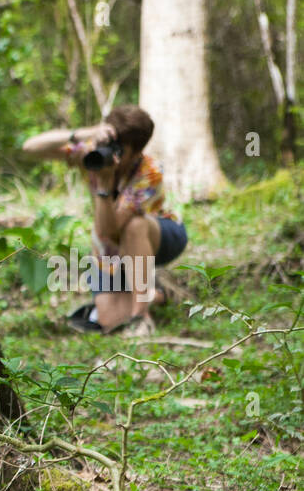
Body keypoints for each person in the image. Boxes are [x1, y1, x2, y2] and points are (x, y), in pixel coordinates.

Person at [22, 105, 188, 336]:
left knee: (134, 225)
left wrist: (103, 185)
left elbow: (110, 229)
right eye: (109, 143)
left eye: (119, 148)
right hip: (111, 246)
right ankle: (156, 294)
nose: (110, 152)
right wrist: (82, 135)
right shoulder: (91, 152)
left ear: (137, 151)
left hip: (160, 235)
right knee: (108, 321)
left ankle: (141, 317)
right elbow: (30, 148)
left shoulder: (149, 172)